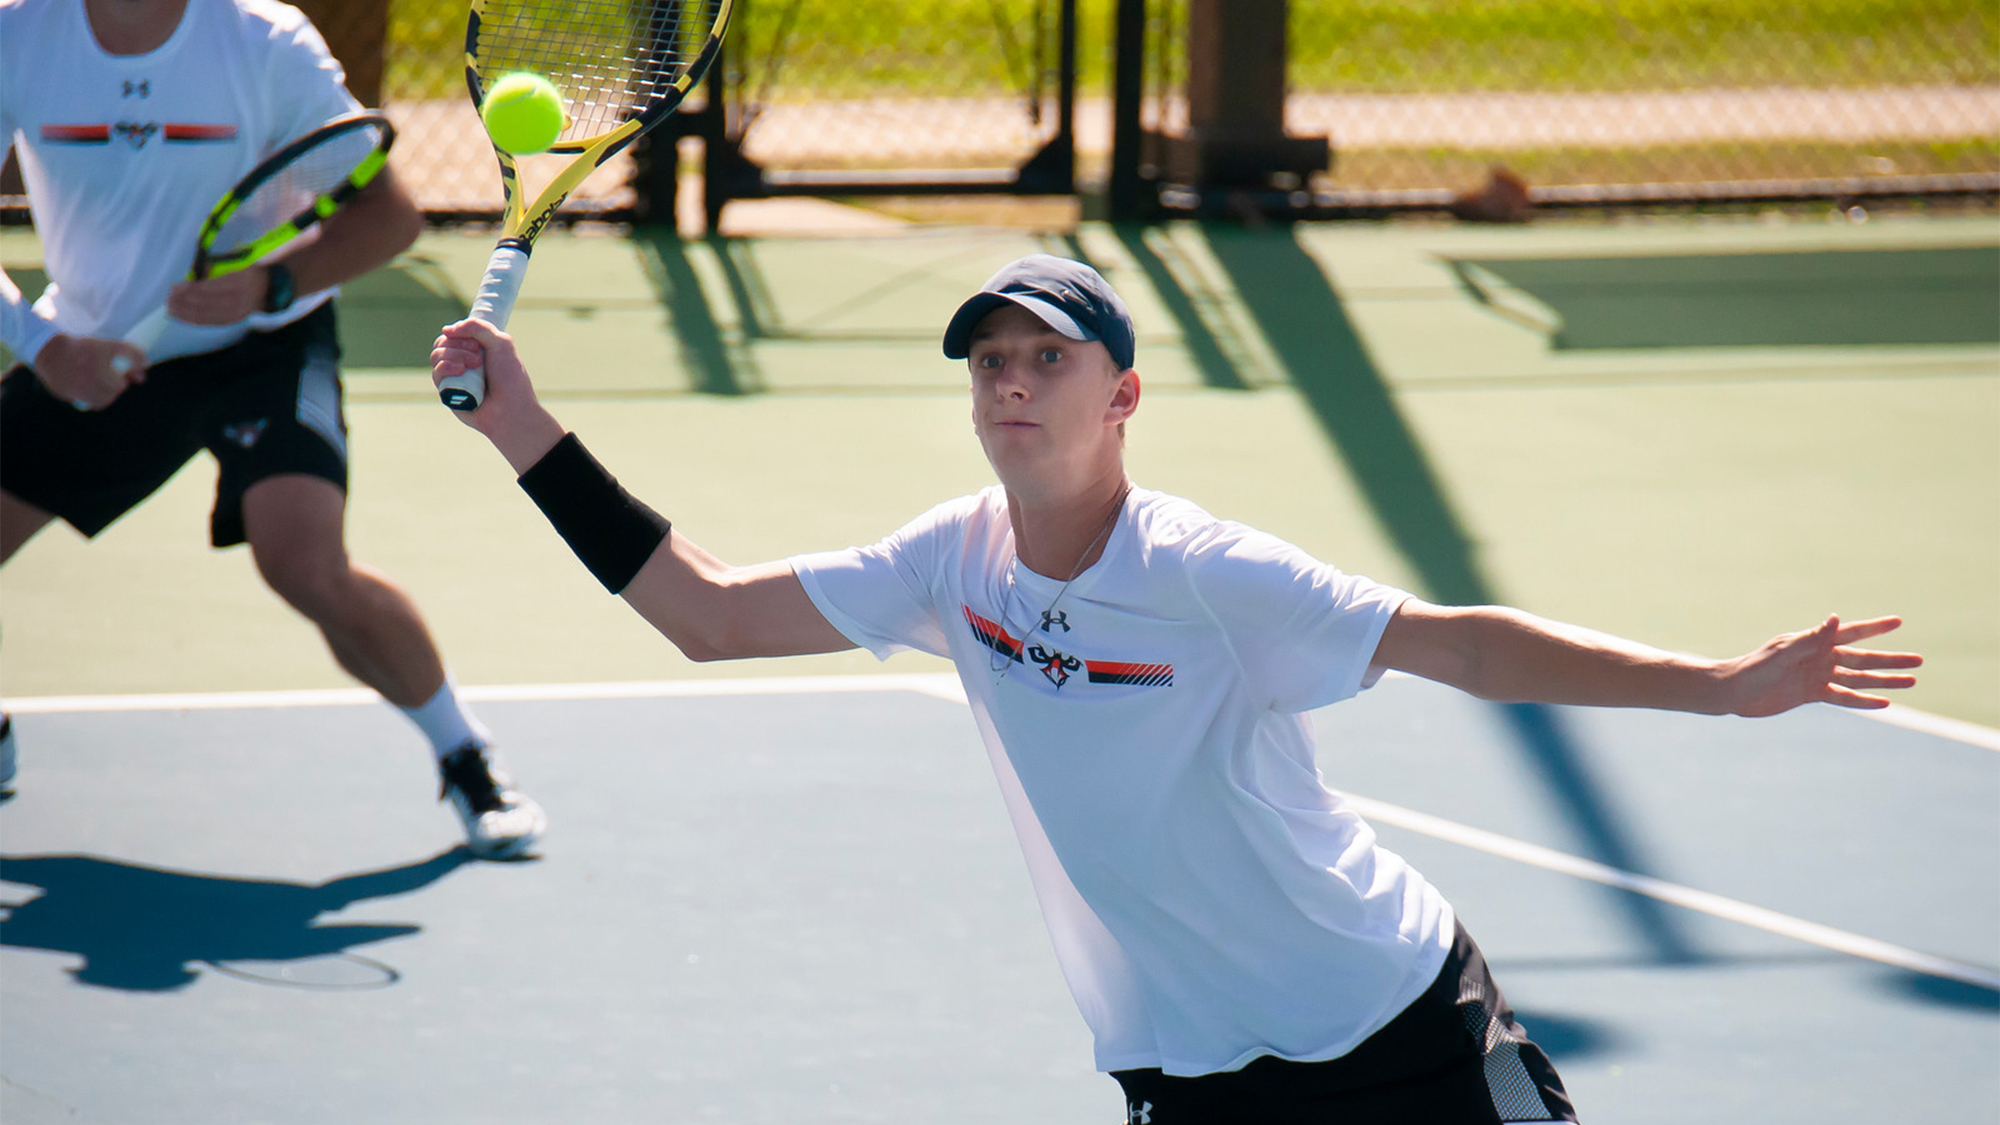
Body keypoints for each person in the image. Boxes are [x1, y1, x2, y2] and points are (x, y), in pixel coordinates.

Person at [429, 254, 1922, 1122]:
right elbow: (707, 613)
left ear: (1122, 396)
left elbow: (1458, 642)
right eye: (987, 361)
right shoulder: (951, 561)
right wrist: (526, 435)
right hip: (1194, 1064)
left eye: (1046, 358)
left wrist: (1722, 685)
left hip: (1394, 1016)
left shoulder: (1211, 573)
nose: (1009, 380)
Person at [0, 0, 543, 859]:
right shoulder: (17, 37)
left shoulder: (263, 42)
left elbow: (387, 217)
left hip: (263, 347)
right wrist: (42, 345)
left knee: (305, 565)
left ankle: (465, 754)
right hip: (95, 352)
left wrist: (270, 288)